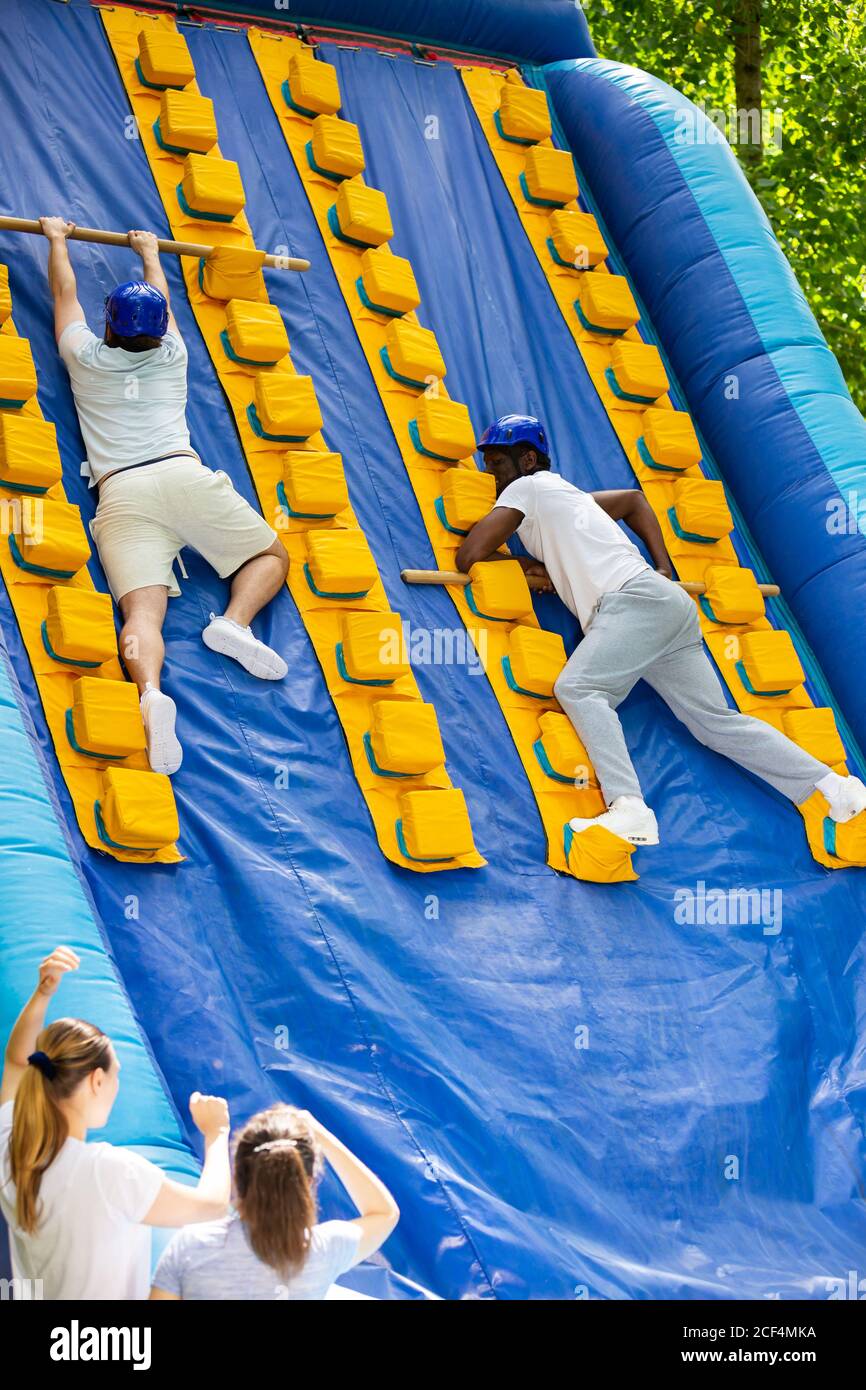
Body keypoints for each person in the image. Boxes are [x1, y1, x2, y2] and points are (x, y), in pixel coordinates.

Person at [456, 414, 866, 847]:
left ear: (528, 459)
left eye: (498, 463)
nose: (490, 475)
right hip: (666, 605)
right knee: (716, 724)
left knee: (579, 688)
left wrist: (520, 565)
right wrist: (664, 570)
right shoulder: (572, 498)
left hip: (631, 605)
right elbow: (634, 500)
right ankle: (834, 786)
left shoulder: (527, 488)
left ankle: (629, 807)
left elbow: (471, 554)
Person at [40, 215, 290, 776]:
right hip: (181, 475)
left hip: (120, 492)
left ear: (108, 326)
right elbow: (167, 306)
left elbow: (64, 292)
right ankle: (234, 623)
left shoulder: (86, 356)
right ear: (157, 330)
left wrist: (58, 238)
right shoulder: (174, 355)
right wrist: (150, 251)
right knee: (272, 555)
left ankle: (151, 692)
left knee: (142, 614)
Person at [0, 945, 232, 1299]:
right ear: (96, 1081)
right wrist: (217, 1133)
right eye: (116, 1075)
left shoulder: (12, 1151)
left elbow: (17, 1063)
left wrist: (43, 993)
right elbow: (212, 1206)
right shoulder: (110, 1173)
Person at [150, 1103, 399, 1300]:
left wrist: (216, 1133)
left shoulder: (192, 1246)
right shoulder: (326, 1248)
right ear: (310, 1181)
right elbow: (384, 1212)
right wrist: (318, 1133)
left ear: (238, 1179)